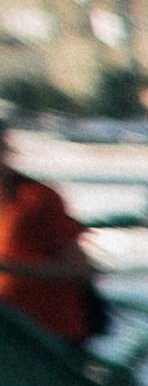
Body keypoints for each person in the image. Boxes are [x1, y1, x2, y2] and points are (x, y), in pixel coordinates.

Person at [0, 123, 104, 348]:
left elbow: (79, 270)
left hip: (48, 341)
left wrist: (8, 267)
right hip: (8, 337)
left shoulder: (38, 199)